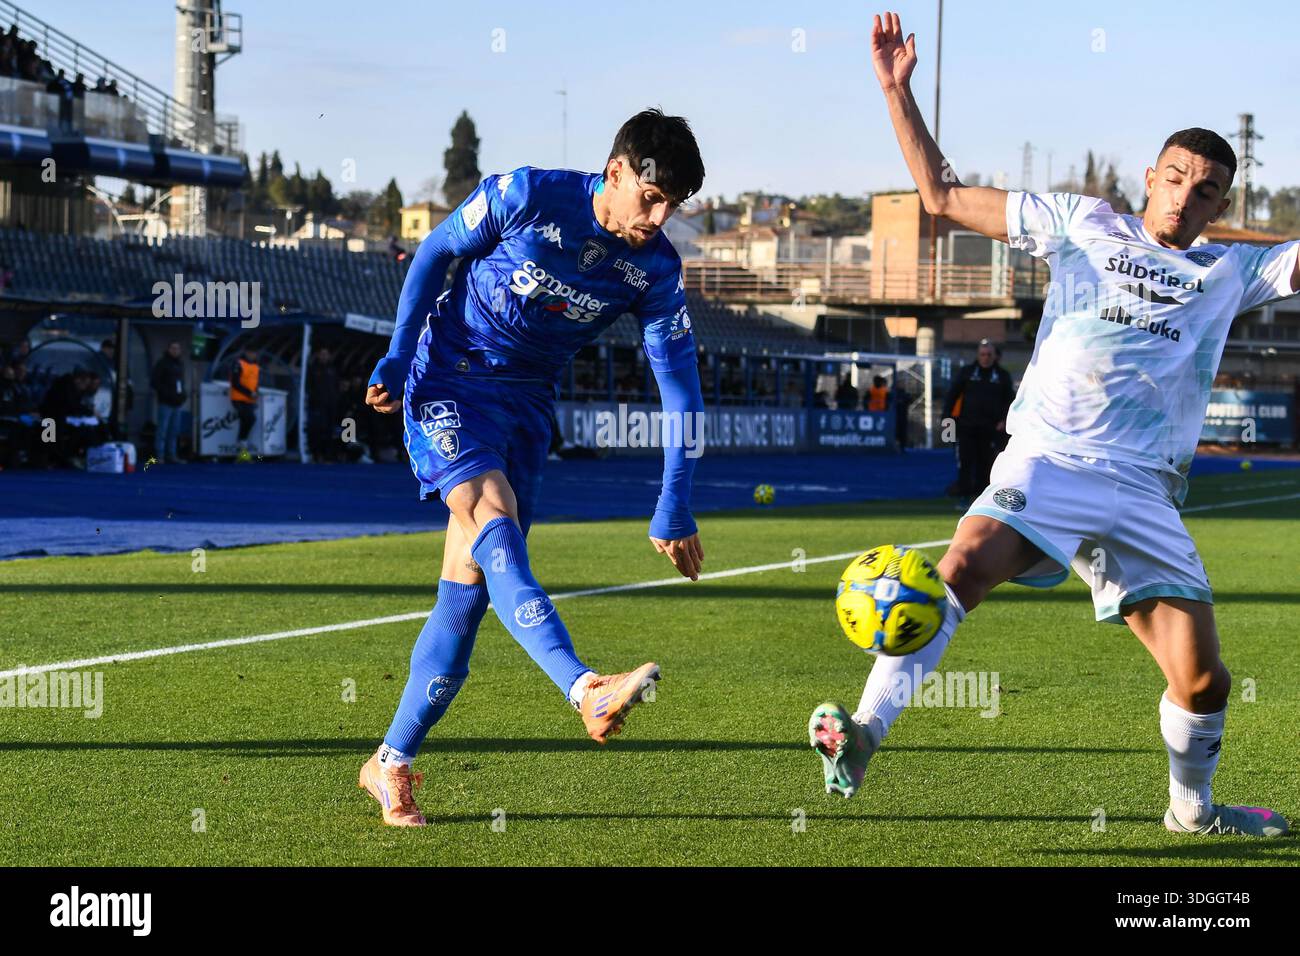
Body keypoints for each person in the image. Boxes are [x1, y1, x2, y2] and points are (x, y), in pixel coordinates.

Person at [808, 12, 1300, 839]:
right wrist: (897, 91)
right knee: (957, 567)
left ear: (1224, 200)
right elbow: (940, 196)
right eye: (1175, 177)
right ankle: (862, 737)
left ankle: (1195, 813)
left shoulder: (1235, 269)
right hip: (1051, 463)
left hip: (1145, 494)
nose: (1186, 196)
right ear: (1151, 176)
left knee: (1205, 683)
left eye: (1206, 187)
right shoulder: (1082, 222)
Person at [360, 107, 707, 826]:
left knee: (467, 596)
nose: (661, 214)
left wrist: (675, 502)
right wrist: (397, 350)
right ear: (615, 173)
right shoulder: (527, 194)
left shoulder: (655, 270)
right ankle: (585, 689)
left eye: (674, 204)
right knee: (494, 518)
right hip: (451, 377)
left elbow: (682, 390)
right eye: (651, 196)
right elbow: (434, 254)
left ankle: (388, 764)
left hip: (526, 408)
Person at [942, 339, 1014, 506]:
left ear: (995, 356)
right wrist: (947, 422)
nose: (986, 358)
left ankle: (983, 501)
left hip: (990, 429)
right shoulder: (967, 372)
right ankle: (963, 497)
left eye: (989, 354)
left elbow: (1010, 402)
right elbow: (951, 397)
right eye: (982, 354)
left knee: (987, 465)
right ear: (977, 355)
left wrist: (1005, 420)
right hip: (966, 427)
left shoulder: (1002, 376)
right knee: (965, 463)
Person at [151, 341, 187, 463]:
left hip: (177, 402)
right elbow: (155, 382)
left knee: (174, 430)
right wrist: (166, 394)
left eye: (177, 348)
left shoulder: (180, 364)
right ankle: (159, 455)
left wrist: (183, 395)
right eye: (173, 348)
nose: (175, 351)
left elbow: (181, 383)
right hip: (166, 402)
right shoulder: (162, 363)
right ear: (168, 349)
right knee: (163, 429)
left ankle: (171, 454)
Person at [306, 344, 340, 461]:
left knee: (330, 430)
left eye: (326, 354)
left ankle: (328, 455)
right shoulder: (313, 369)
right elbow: (309, 386)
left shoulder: (333, 369)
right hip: (318, 405)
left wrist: (335, 399)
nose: (324, 356)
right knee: (318, 430)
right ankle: (316, 454)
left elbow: (336, 386)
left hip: (331, 405)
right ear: (318, 355)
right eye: (322, 354)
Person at [229, 345, 260, 461]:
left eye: (254, 353)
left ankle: (242, 450)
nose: (253, 355)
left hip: (249, 399)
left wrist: (256, 392)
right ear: (246, 352)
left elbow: (255, 382)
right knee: (249, 418)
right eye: (251, 352)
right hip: (238, 398)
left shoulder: (256, 366)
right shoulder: (238, 363)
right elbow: (235, 383)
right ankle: (242, 446)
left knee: (248, 420)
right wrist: (249, 393)